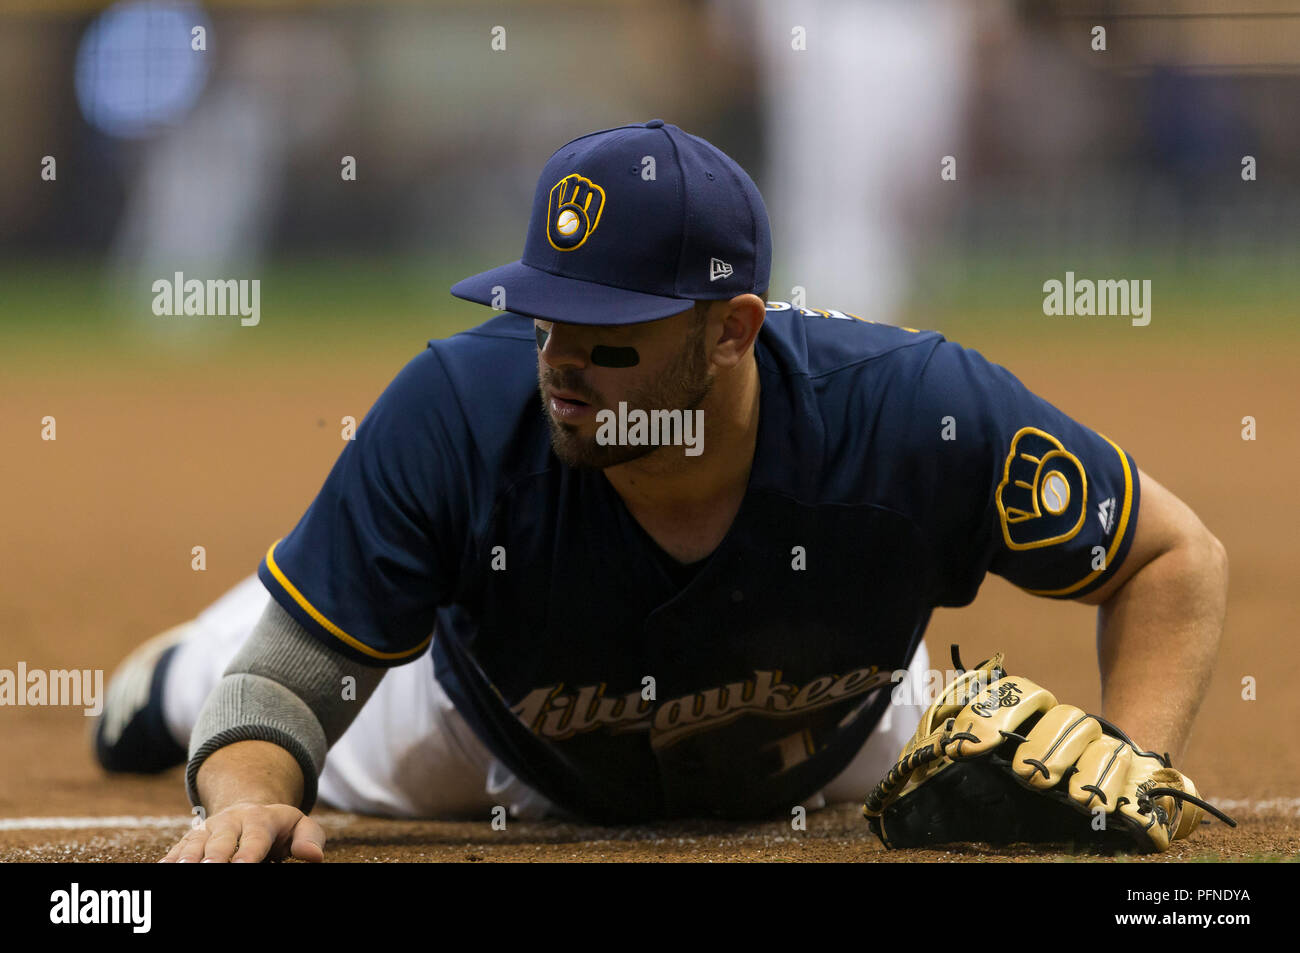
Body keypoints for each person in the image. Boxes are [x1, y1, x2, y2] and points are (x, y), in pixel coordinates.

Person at [92, 120, 1227, 863]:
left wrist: (1130, 768)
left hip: (841, 736)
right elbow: (292, 677)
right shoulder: (457, 409)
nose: (560, 367)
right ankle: (186, 649)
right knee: (203, 690)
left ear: (733, 329)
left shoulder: (910, 410)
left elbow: (1170, 554)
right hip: (483, 736)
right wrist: (242, 791)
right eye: (543, 322)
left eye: (607, 338)